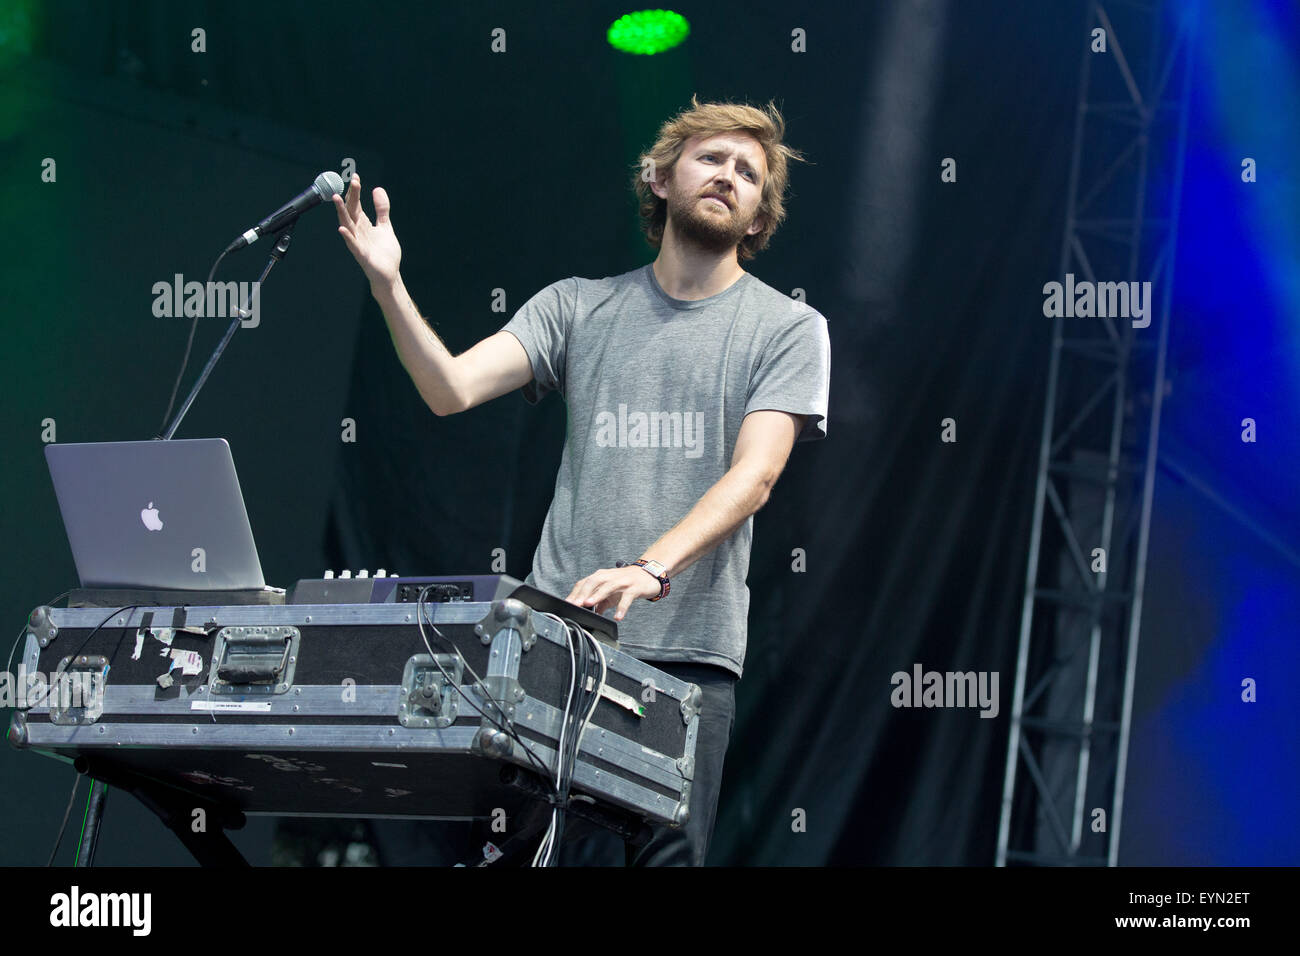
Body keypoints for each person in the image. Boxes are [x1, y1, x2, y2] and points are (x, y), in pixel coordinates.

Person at [333, 95, 831, 866]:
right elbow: (449, 389)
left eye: (748, 172)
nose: (729, 176)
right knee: (517, 852)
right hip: (554, 643)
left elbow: (756, 474)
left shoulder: (790, 329)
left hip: (686, 659)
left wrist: (649, 568)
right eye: (712, 158)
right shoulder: (578, 305)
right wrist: (388, 286)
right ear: (660, 178)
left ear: (759, 217)